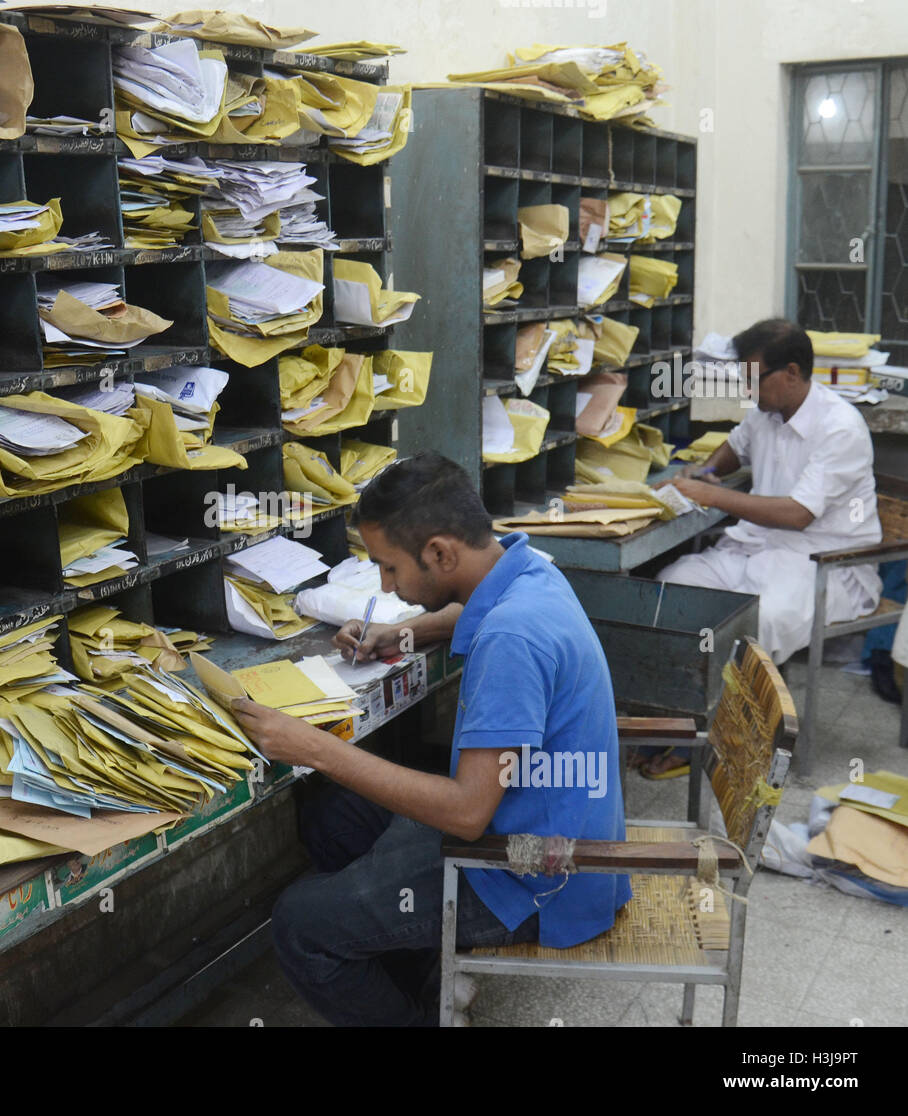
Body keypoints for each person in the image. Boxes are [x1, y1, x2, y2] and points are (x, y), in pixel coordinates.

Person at [232, 453, 630, 1027]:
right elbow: (469, 609)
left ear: (441, 552)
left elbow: (467, 813)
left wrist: (313, 747)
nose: (386, 585)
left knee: (300, 925)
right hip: (536, 831)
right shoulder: (528, 573)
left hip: (536, 876)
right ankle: (427, 985)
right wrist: (404, 631)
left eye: (390, 568)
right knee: (332, 812)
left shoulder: (511, 641)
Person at [641, 318, 882, 778]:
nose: (749, 390)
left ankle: (720, 736)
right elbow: (733, 449)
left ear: (792, 372)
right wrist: (705, 473)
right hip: (755, 549)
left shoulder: (840, 428)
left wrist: (714, 496)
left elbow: (797, 514)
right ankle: (684, 723)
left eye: (755, 378)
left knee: (761, 619)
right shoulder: (766, 413)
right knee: (674, 588)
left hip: (822, 565)